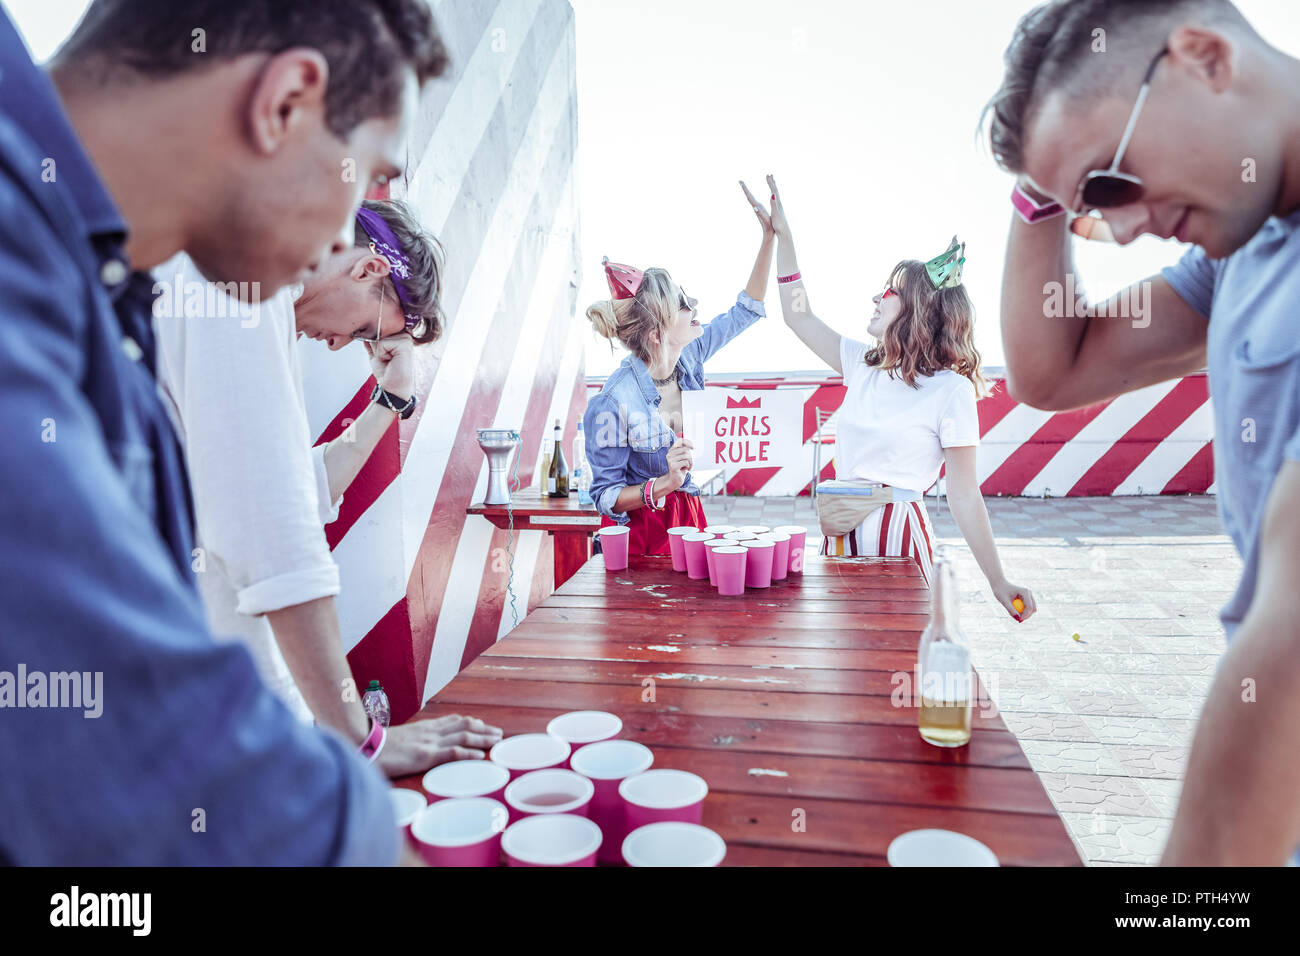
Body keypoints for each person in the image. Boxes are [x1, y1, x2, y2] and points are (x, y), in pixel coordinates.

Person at [0, 0, 448, 864]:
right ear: (285, 104)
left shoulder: (104, 282)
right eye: (369, 176)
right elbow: (95, 723)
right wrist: (351, 811)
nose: (349, 232)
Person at [985, 0, 1300, 865]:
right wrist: (1042, 189)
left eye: (1111, 183)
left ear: (1204, 56)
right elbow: (1055, 368)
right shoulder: (1246, 241)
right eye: (1087, 207)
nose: (1119, 229)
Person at [153, 199, 502, 775]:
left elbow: (289, 488)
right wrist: (358, 739)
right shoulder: (244, 284)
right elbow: (270, 525)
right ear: (369, 269)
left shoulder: (240, 287)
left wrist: (387, 402)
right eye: (365, 328)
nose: (343, 345)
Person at [755, 176, 1036, 620]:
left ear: (916, 308)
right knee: (844, 666)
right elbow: (798, 314)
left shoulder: (952, 390)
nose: (875, 297)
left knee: (897, 663)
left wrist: (997, 580)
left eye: (887, 291)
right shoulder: (862, 365)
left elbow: (964, 496)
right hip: (841, 530)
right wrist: (783, 238)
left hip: (899, 535)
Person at [582, 187, 775, 555]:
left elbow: (746, 311)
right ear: (657, 333)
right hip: (643, 536)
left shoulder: (691, 355)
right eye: (683, 303)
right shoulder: (612, 401)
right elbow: (606, 497)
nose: (695, 305)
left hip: (689, 518)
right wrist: (665, 482)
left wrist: (768, 239)